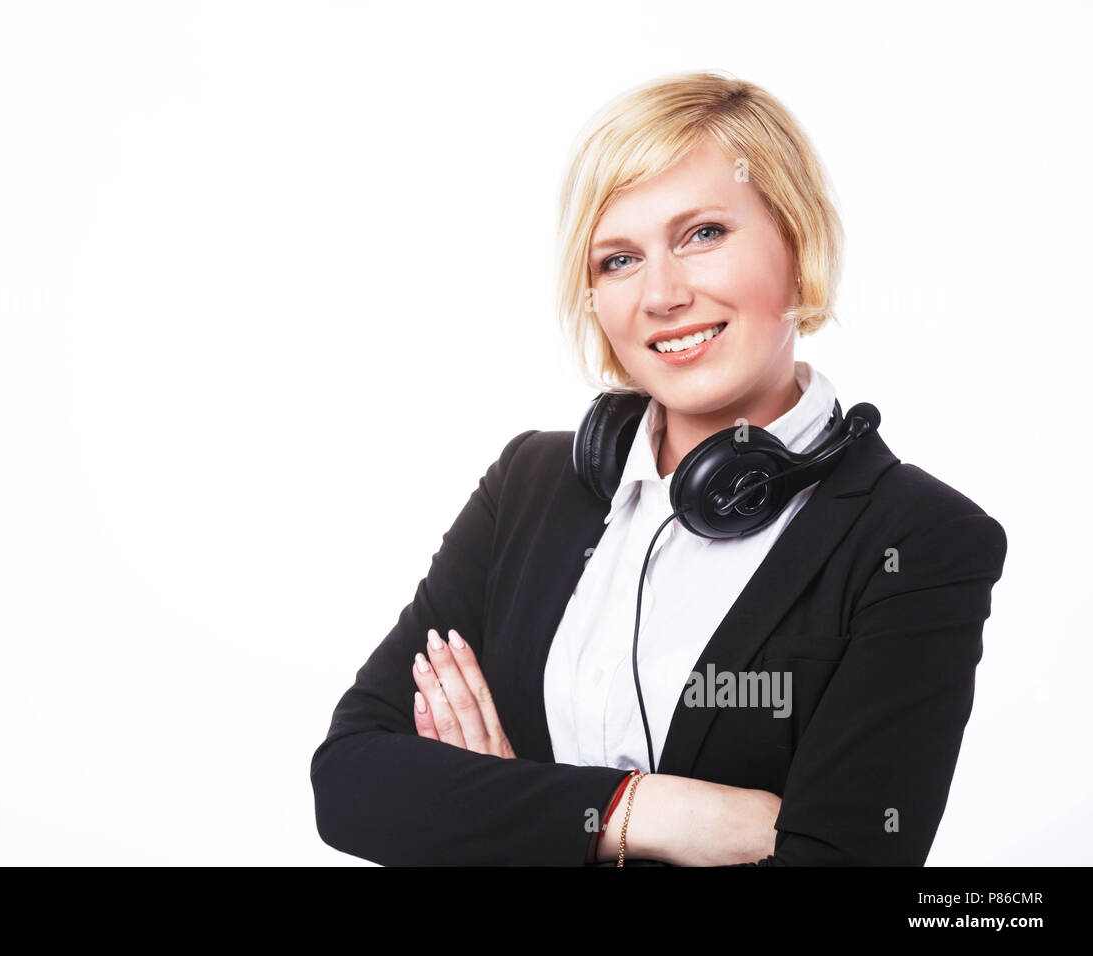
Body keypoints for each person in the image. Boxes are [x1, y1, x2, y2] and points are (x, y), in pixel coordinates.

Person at [309, 71, 1008, 866]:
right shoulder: (529, 485)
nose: (662, 294)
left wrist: (504, 816)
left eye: (703, 233)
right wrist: (652, 811)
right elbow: (351, 778)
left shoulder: (919, 538)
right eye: (618, 260)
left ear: (798, 242)